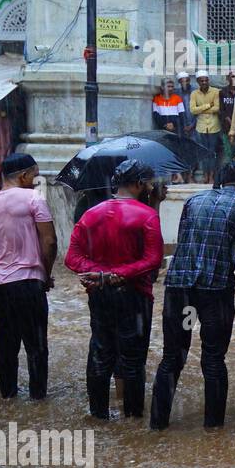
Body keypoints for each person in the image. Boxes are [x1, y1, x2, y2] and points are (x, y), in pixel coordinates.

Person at [151, 160, 235, 430]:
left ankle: (157, 425)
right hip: (214, 290)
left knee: (173, 356)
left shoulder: (195, 200)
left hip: (180, 289)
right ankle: (213, 430)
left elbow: (186, 239)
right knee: (213, 357)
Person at [64, 159, 163, 420]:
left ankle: (98, 415)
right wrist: (117, 274)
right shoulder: (147, 215)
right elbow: (153, 260)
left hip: (99, 292)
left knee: (100, 351)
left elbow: (71, 258)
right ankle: (132, 417)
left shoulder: (91, 214)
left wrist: (99, 273)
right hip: (134, 294)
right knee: (132, 359)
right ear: (140, 183)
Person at [0, 154, 56, 401]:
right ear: (23, 176)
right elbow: (49, 241)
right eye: (34, 175)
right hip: (29, 281)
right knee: (36, 344)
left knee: (5, 343)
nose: (35, 180)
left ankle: (8, 395)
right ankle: (38, 398)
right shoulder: (33, 198)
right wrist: (46, 274)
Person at [189, 70, 222, 184]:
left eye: (206, 80)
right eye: (201, 80)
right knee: (203, 152)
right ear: (198, 82)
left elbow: (217, 108)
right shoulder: (194, 94)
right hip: (201, 126)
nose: (204, 82)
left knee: (212, 152)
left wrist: (201, 109)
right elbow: (193, 110)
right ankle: (205, 175)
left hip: (214, 126)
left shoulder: (216, 92)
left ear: (208, 80)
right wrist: (208, 105)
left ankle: (212, 176)